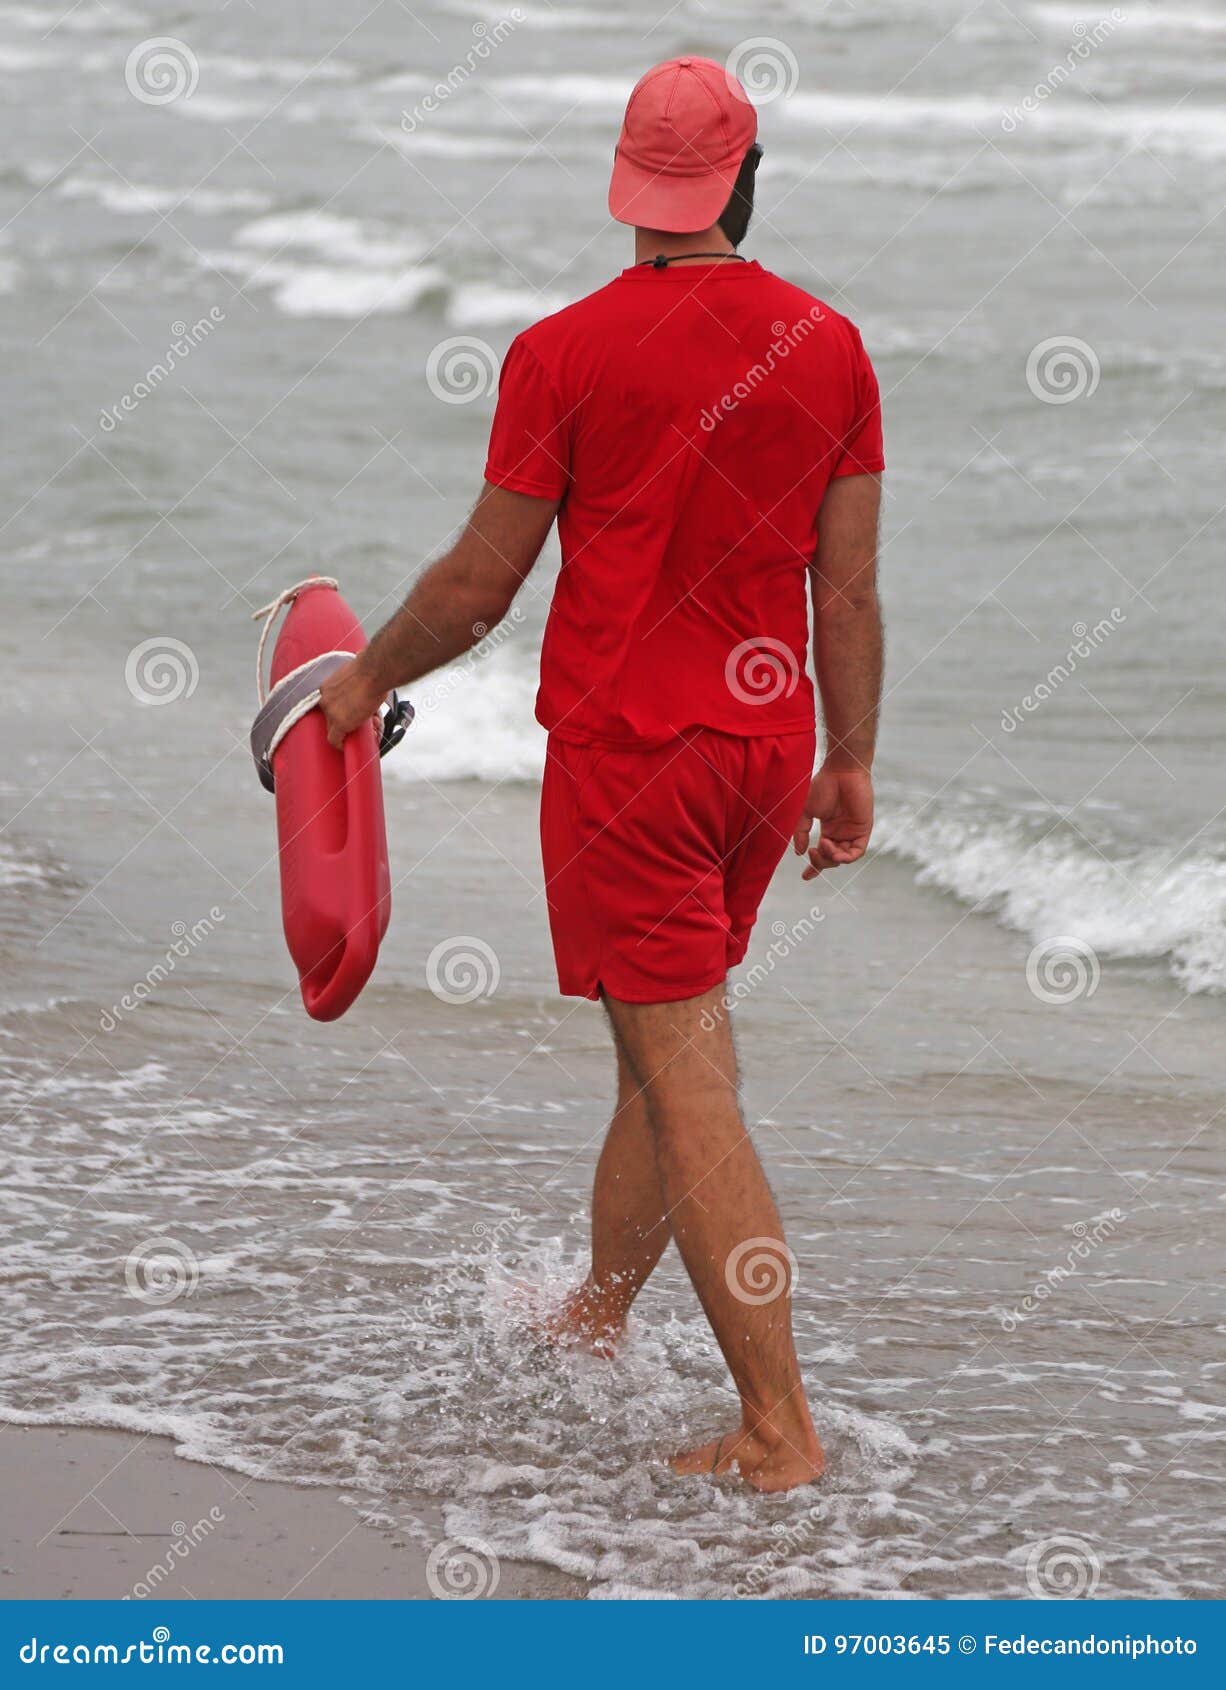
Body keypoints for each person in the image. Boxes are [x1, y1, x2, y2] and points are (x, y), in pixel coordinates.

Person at [320, 55, 884, 1493]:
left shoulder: (564, 349)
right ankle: (598, 1308)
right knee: (660, 1044)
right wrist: (851, 761)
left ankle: (778, 1430)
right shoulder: (827, 345)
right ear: (743, 181)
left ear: (633, 193)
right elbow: (851, 594)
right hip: (763, 754)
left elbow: (476, 585)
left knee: (688, 1074)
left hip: (631, 761)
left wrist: (368, 677)